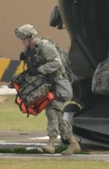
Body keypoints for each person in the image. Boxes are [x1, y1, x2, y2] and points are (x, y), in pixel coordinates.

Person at [15, 24, 80, 156]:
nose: (22, 42)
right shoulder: (31, 50)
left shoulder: (45, 46)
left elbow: (56, 63)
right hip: (49, 85)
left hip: (60, 85)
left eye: (23, 39)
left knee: (51, 111)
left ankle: (51, 143)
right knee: (57, 115)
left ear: (30, 37)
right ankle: (73, 143)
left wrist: (39, 69)